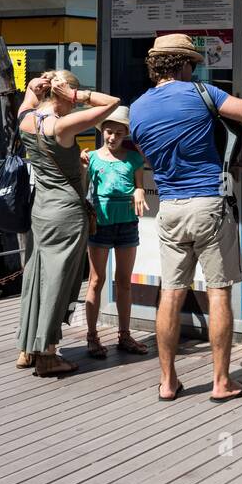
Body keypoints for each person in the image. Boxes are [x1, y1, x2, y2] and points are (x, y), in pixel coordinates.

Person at [128, 34, 242, 403]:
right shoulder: (201, 93)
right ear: (185, 64)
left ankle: (168, 382)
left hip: (169, 209)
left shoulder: (138, 108)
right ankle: (222, 382)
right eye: (193, 62)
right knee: (218, 292)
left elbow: (145, 150)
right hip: (208, 203)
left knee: (171, 294)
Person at [15, 71, 121, 377]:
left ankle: (27, 348)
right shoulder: (61, 126)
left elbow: (30, 97)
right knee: (58, 282)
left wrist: (36, 87)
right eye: (71, 100)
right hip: (65, 212)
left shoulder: (26, 119)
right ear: (63, 95)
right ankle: (47, 354)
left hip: (42, 210)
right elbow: (112, 103)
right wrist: (78, 95)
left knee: (37, 277)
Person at [81, 105, 150, 359]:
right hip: (100, 223)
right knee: (96, 280)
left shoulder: (133, 159)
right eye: (109, 132)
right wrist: (81, 167)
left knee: (124, 281)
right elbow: (82, 188)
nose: (112, 137)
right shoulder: (92, 158)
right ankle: (92, 336)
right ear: (102, 131)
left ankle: (124, 334)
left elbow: (140, 185)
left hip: (127, 224)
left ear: (125, 134)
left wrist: (139, 190)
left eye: (118, 133)